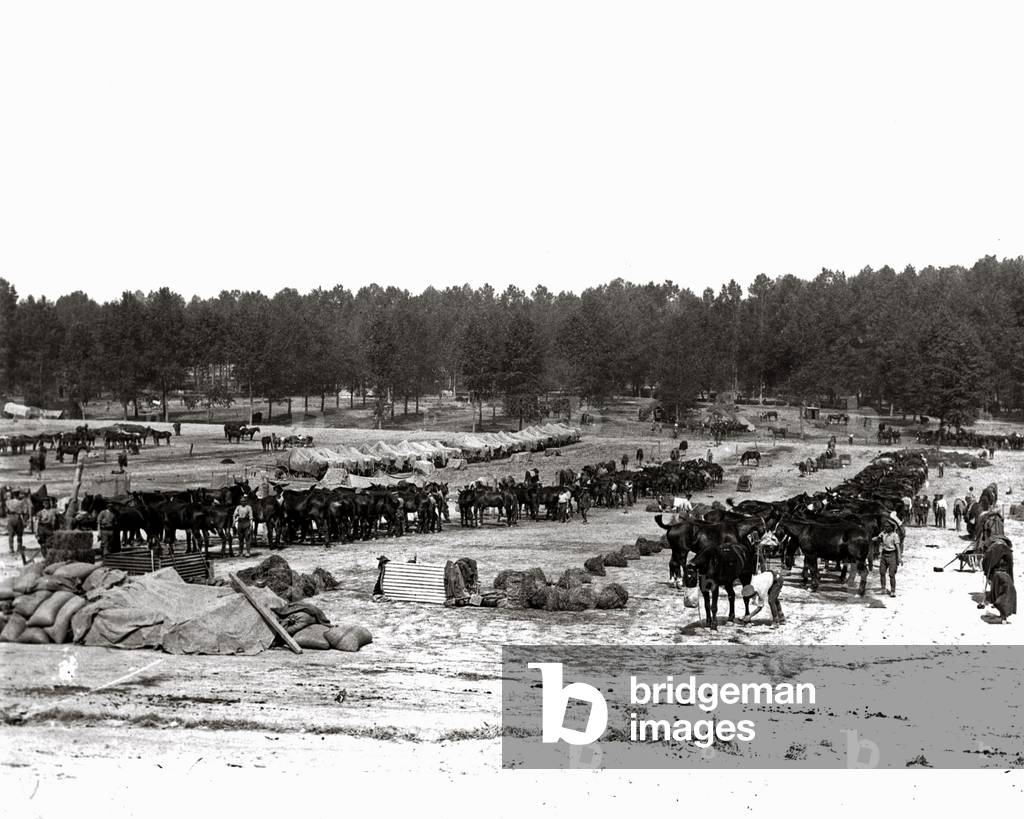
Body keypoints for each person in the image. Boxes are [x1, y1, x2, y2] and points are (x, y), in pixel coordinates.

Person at [877, 519, 902, 597]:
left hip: (892, 555)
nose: (885, 528)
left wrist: (899, 558)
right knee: (882, 572)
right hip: (884, 555)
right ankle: (883, 588)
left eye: (887, 527)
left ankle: (893, 590)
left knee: (892, 574)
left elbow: (898, 547)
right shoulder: (883, 534)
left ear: (891, 527)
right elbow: (878, 539)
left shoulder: (895, 535)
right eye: (885, 526)